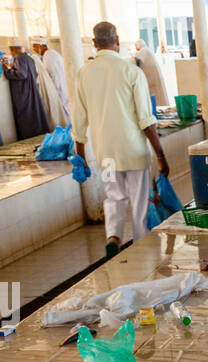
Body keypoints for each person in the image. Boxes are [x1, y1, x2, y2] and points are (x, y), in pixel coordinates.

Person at [73, 21, 170, 258]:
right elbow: (147, 120)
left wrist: (82, 157)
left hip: (105, 154)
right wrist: (160, 155)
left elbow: (79, 121)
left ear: (95, 45)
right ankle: (142, 246)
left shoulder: (84, 74)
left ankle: (113, 238)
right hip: (134, 152)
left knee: (113, 196)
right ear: (116, 41)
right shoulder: (131, 72)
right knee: (139, 203)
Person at [3, 42, 51, 140]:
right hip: (31, 89)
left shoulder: (19, 58)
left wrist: (6, 70)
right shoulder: (29, 58)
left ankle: (29, 137)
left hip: (23, 92)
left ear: (12, 49)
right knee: (34, 112)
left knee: (26, 115)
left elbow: (21, 74)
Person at [32, 36, 71, 126]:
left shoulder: (48, 56)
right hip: (63, 86)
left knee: (64, 111)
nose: (34, 49)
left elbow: (54, 75)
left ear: (40, 46)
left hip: (59, 88)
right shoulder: (52, 53)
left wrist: (54, 90)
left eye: (35, 46)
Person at [133, 38, 171, 106]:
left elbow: (135, 57)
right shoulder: (147, 50)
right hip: (154, 77)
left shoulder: (144, 50)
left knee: (155, 98)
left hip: (151, 80)